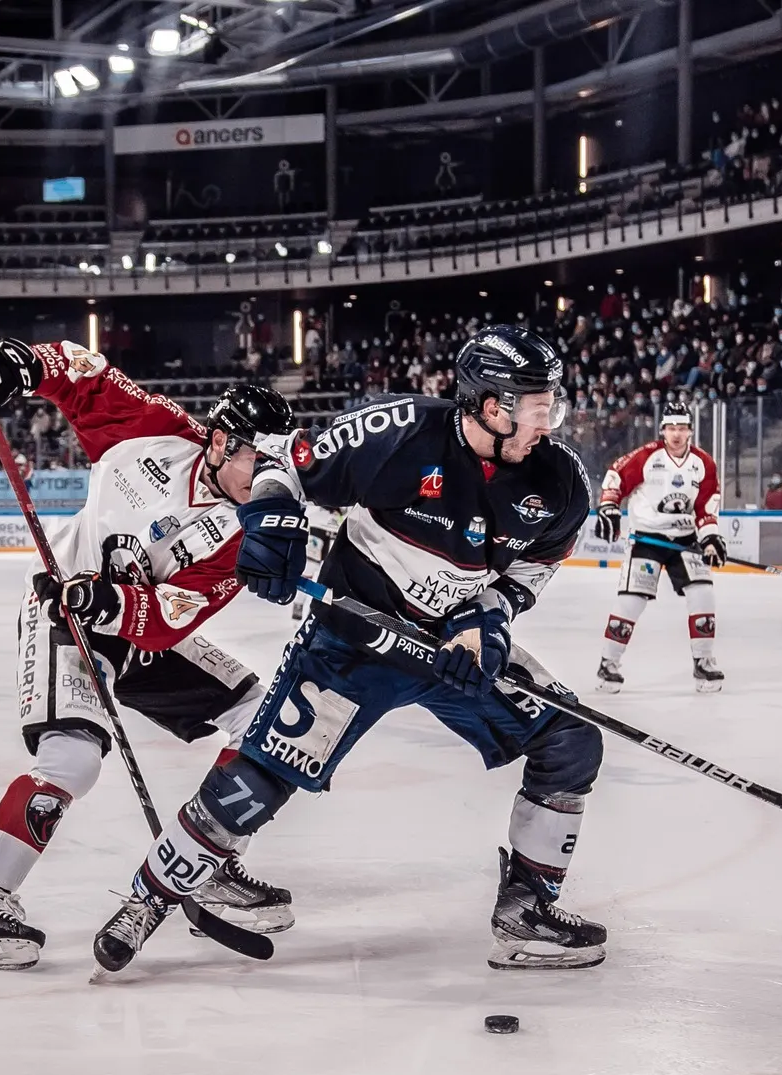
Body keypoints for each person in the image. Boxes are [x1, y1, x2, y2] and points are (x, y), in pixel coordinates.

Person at [95, 325, 607, 973]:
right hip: (350, 645)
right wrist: (271, 522)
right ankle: (146, 900)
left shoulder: (560, 483)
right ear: (490, 406)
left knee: (570, 741)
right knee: (260, 779)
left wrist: (488, 620)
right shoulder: (399, 431)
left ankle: (527, 910)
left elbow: (530, 571)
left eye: (551, 407)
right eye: (536, 408)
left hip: (450, 648)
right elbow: (282, 458)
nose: (547, 423)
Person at [0, 338, 299, 971]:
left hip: (133, 627)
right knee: (72, 759)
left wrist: (114, 602)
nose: (269, 480)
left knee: (264, 718)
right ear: (219, 442)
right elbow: (84, 375)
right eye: (257, 462)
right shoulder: (154, 433)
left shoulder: (247, 533)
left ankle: (205, 860)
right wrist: (19, 365)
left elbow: (171, 617)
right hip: (63, 609)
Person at [591, 400, 728, 694]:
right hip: (647, 540)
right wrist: (609, 506)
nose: (676, 434)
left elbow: (706, 506)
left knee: (703, 594)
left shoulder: (703, 463)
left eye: (682, 428)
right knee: (632, 600)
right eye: (671, 428)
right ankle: (608, 663)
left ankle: (703, 661)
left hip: (685, 540)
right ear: (662, 430)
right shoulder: (647, 456)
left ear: (690, 430)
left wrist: (710, 537)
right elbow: (615, 477)